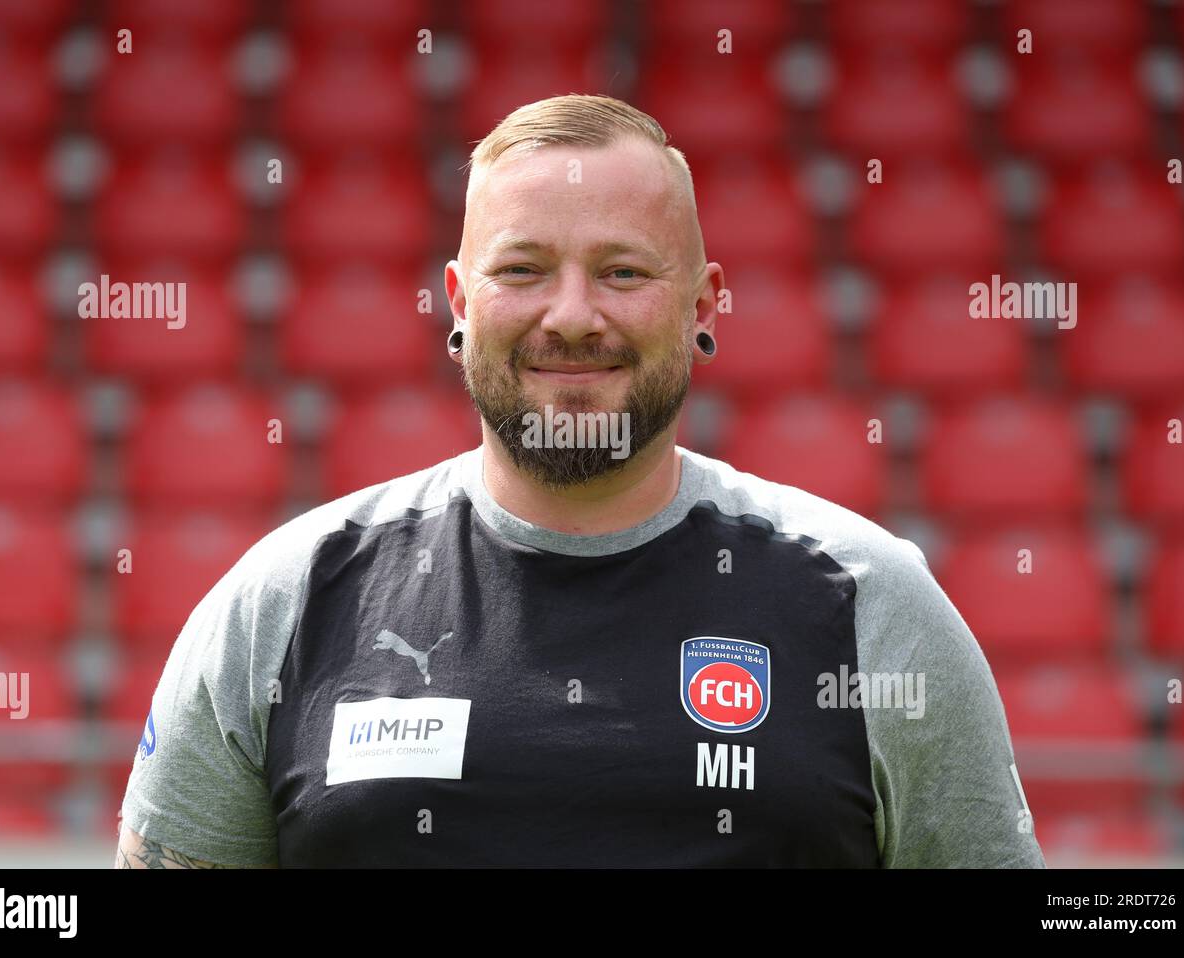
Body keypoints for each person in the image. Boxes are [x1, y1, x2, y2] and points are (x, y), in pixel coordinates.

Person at [115, 94, 1046, 868]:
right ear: (459, 302)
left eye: (622, 270)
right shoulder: (285, 599)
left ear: (702, 305)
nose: (571, 316)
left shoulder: (869, 601)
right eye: (522, 269)